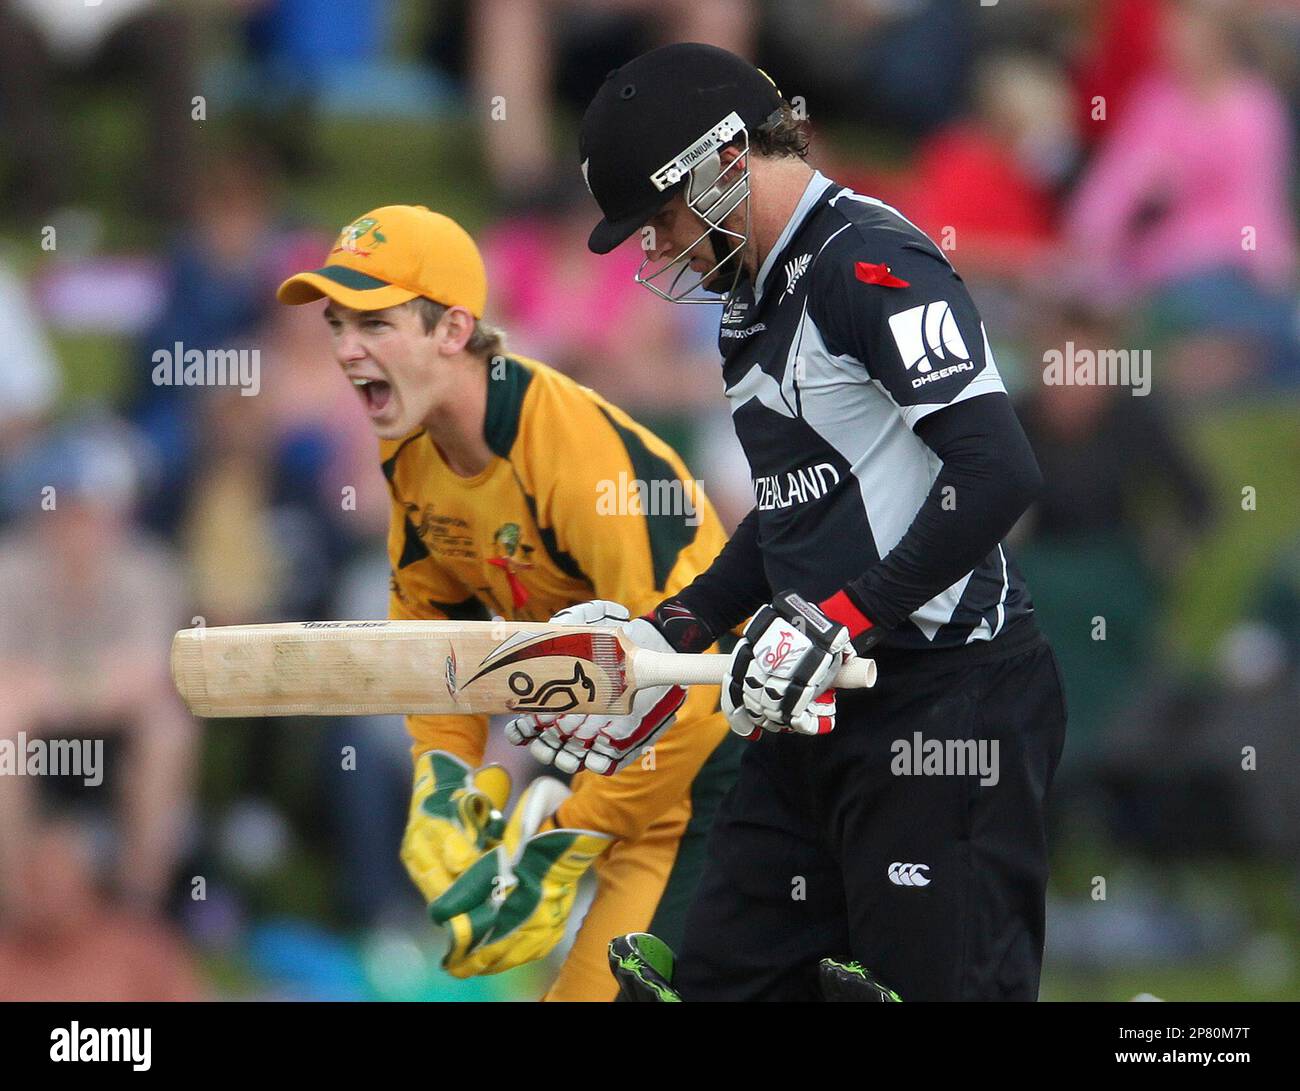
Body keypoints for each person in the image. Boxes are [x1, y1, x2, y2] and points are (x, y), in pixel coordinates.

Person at [528, 42, 1068, 1001]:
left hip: (948, 702)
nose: (655, 251)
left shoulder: (868, 259)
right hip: (814, 703)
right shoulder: (748, 303)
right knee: (703, 985)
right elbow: (798, 505)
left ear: (728, 162)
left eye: (659, 220)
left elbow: (997, 472)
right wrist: (676, 624)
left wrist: (846, 614)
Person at [275, 204, 740, 1000]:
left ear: (454, 330)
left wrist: (561, 843)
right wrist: (445, 776)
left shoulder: (572, 458)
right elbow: (432, 624)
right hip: (604, 762)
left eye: (375, 324)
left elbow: (693, 687)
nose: (347, 349)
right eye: (338, 323)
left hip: (710, 776)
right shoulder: (414, 448)